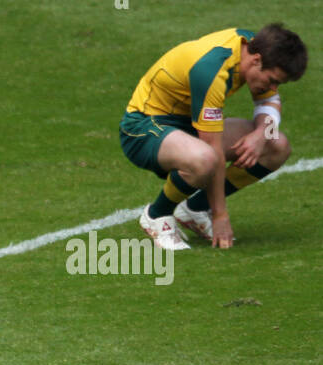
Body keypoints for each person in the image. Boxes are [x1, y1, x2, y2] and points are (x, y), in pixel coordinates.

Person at [122, 24, 307, 250]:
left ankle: (195, 209)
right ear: (256, 60)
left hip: (188, 124)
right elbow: (214, 150)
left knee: (277, 145)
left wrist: (260, 135)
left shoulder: (254, 47)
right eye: (272, 80)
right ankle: (157, 214)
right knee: (206, 159)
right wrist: (221, 216)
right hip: (144, 128)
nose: (273, 87)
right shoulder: (212, 70)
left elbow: (269, 102)